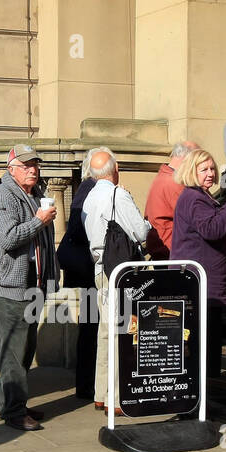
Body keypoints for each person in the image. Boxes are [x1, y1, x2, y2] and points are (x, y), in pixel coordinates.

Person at [169, 149, 226, 378]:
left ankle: (203, 397)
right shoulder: (194, 198)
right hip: (200, 285)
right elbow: (212, 229)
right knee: (202, 344)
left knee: (207, 341)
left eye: (212, 168)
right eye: (204, 169)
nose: (210, 174)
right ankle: (199, 401)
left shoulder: (201, 196)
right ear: (192, 171)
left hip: (207, 284)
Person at [0, 144, 56, 431]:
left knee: (25, 349)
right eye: (26, 165)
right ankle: (15, 412)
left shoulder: (36, 195)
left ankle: (9, 405)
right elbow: (8, 238)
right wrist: (39, 221)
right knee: (15, 352)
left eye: (35, 164)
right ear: (11, 168)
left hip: (34, 283)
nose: (32, 169)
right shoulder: (2, 195)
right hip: (10, 285)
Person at [82, 147, 150, 411]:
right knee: (121, 333)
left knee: (106, 332)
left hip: (100, 269)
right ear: (116, 170)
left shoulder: (89, 198)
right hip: (119, 272)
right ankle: (117, 398)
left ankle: (101, 393)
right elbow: (141, 232)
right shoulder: (118, 195)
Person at [56, 154, 99, 400]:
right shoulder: (89, 189)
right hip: (89, 270)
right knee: (91, 328)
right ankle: (86, 384)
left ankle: (86, 384)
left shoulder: (88, 189)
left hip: (86, 271)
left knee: (90, 326)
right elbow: (80, 229)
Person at [144, 140, 198, 260]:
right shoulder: (174, 182)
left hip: (165, 247)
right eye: (197, 161)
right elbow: (196, 217)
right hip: (172, 249)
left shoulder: (164, 176)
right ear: (187, 158)